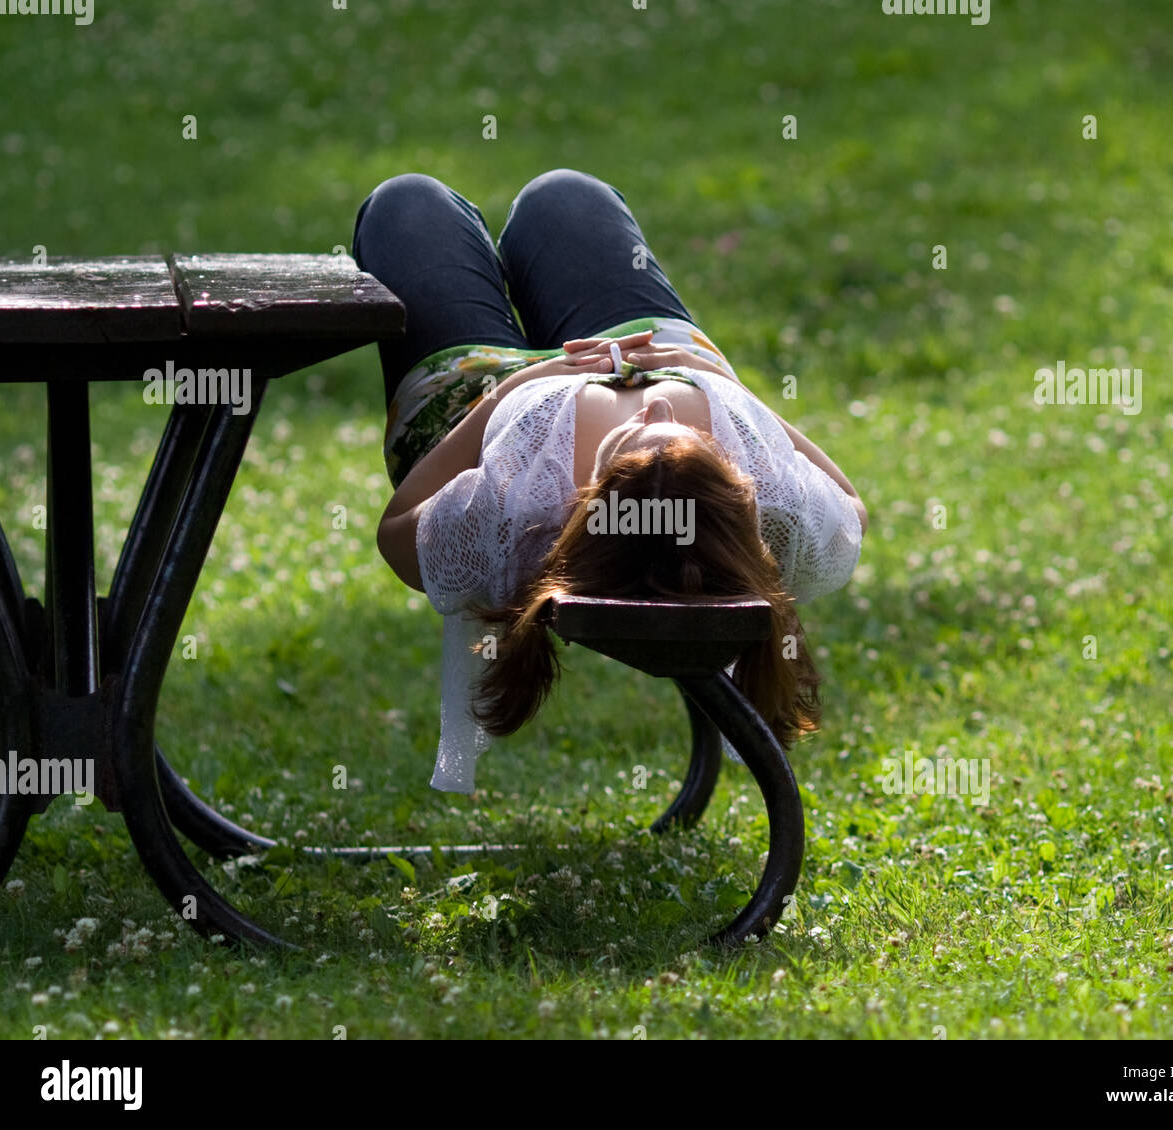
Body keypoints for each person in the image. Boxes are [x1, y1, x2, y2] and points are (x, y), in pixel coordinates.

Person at [353, 169, 867, 792]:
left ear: (591, 500)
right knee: (564, 197)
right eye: (685, 431)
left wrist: (513, 393)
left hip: (474, 392)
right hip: (660, 348)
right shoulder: (774, 500)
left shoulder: (518, 511)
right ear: (736, 492)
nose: (653, 407)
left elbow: (396, 533)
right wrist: (723, 389)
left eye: (630, 439)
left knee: (408, 203)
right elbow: (852, 507)